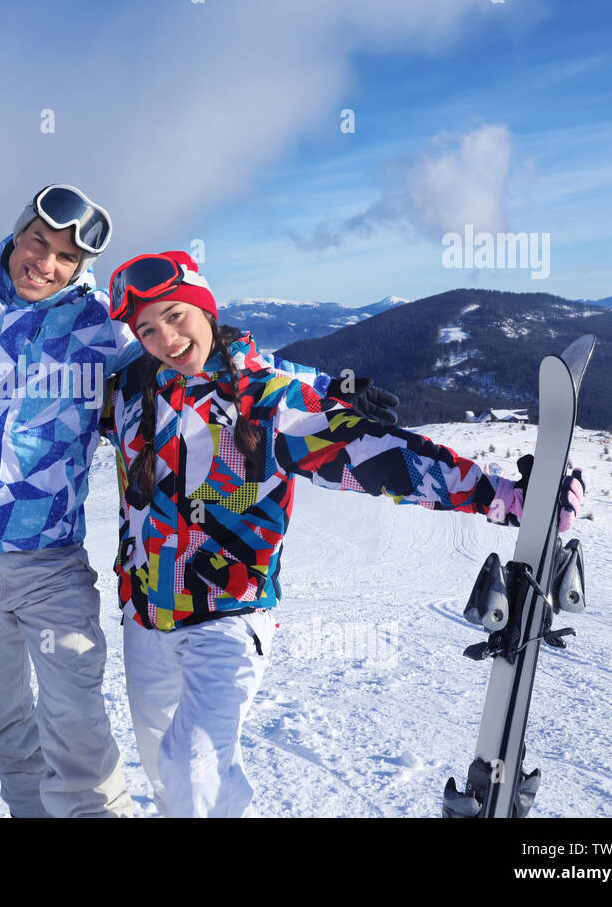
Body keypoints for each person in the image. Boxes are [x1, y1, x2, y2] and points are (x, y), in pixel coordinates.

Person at [0, 17, 399, 817]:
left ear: (82, 269)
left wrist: (328, 392)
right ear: (18, 231)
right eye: (37, 241)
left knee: (76, 728)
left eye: (64, 257)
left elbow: (205, 365)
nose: (44, 263)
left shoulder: (101, 333)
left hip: (48, 565)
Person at [99, 250, 586, 818]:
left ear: (206, 307)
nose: (167, 338)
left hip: (227, 616)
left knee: (194, 770)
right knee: (169, 774)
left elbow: (378, 457)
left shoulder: (270, 401)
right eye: (148, 330)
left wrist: (499, 495)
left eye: (176, 315)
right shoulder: (133, 394)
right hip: (144, 620)